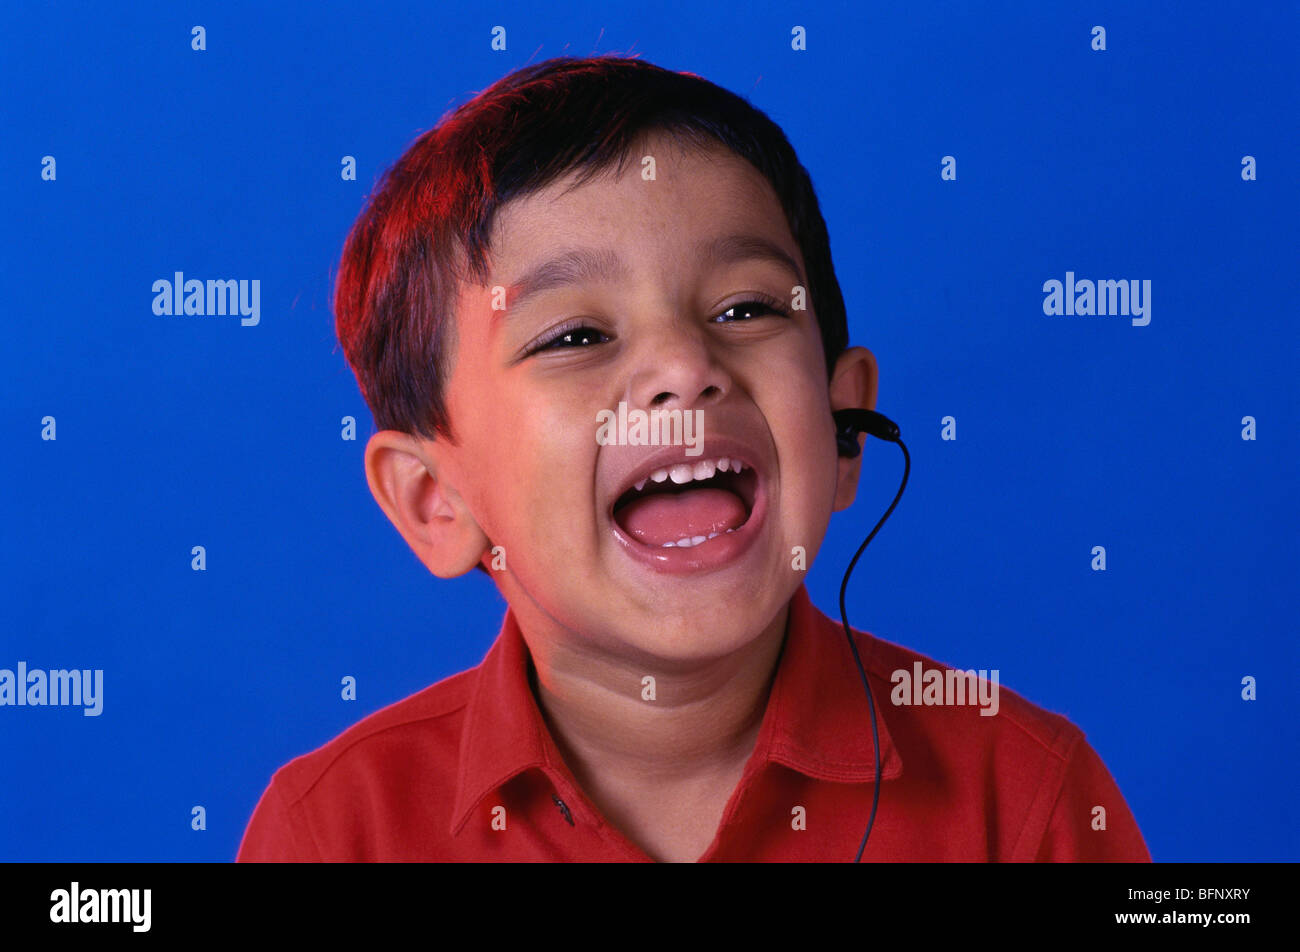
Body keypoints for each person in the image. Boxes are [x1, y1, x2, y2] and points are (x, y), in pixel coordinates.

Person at [237, 55, 1150, 862]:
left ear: (842, 428)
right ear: (437, 501)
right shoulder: (333, 832)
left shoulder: (1024, 796)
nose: (685, 367)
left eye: (746, 309)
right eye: (577, 333)